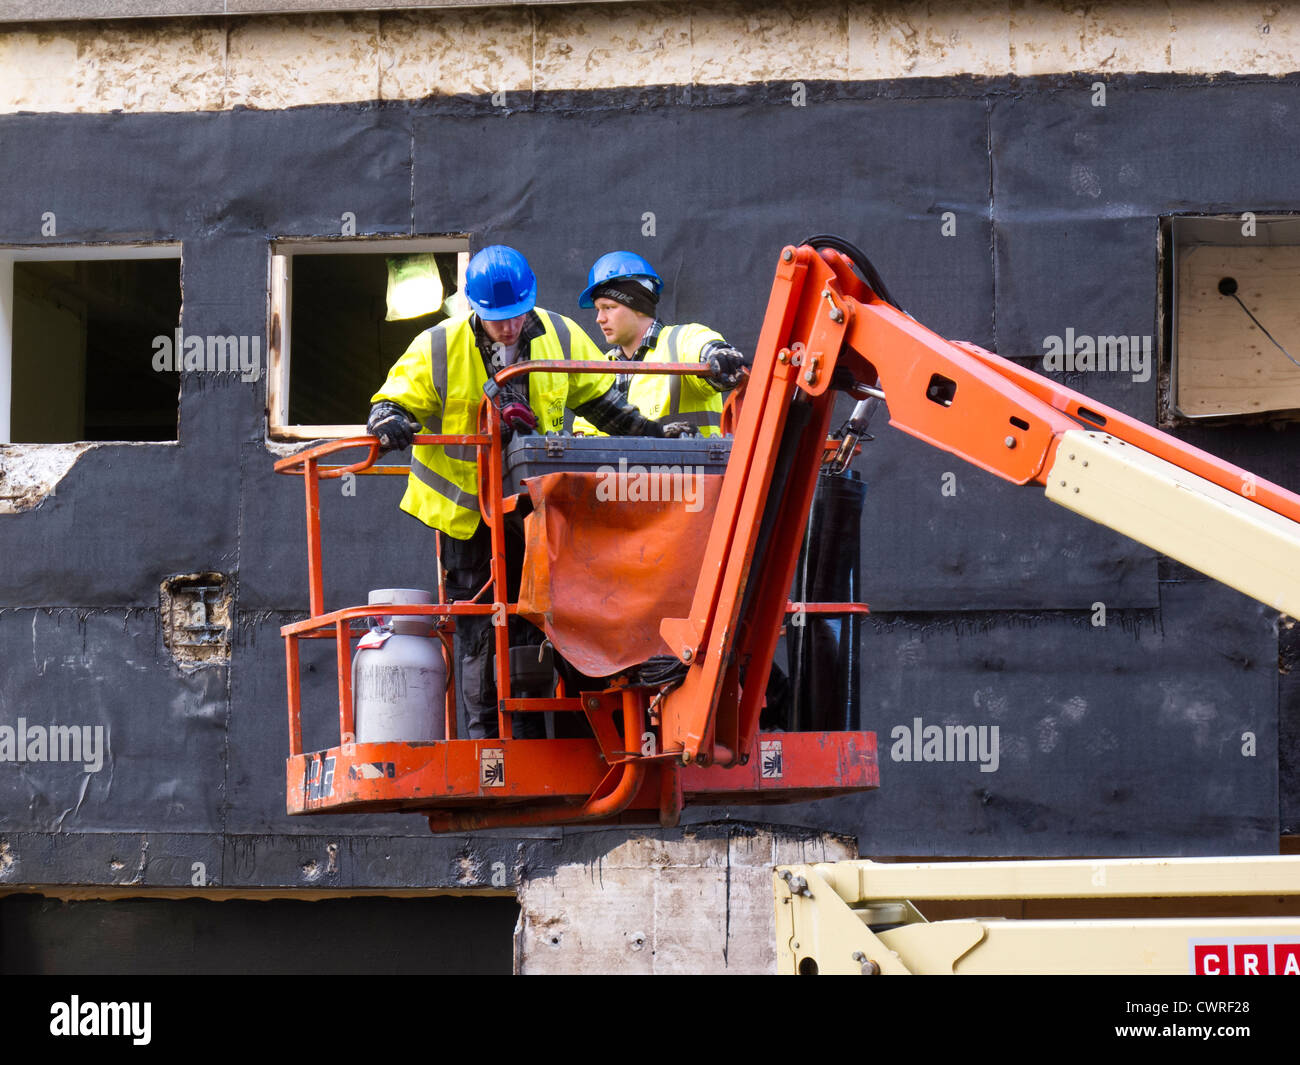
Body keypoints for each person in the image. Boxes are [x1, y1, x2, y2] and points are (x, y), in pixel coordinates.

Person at [367, 245, 671, 740]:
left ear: (529, 303)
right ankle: (491, 741)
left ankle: (534, 736)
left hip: (532, 513)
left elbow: (604, 404)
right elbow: (390, 402)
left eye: (516, 316)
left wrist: (653, 440)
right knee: (482, 632)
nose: (508, 328)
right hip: (467, 516)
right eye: (496, 319)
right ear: (475, 310)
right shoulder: (438, 346)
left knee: (536, 624)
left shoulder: (561, 335)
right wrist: (390, 421)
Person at [571, 252, 746, 437]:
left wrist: (722, 359)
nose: (599, 319)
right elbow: (585, 440)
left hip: (689, 465)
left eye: (608, 307)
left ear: (638, 305)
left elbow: (707, 350)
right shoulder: (600, 366)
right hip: (615, 467)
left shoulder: (682, 341)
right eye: (598, 309)